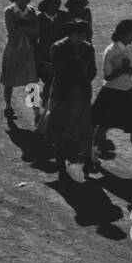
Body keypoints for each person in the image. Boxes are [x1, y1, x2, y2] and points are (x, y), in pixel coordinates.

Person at [92, 18, 132, 177]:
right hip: (111, 92)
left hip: (127, 91)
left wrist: (127, 69)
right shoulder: (110, 51)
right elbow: (107, 76)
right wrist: (123, 69)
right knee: (103, 125)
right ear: (124, 34)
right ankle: (94, 152)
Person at [45, 19, 99, 180]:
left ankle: (87, 162)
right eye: (79, 34)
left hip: (81, 94)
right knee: (60, 130)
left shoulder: (88, 48)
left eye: (84, 34)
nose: (82, 37)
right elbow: (59, 71)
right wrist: (79, 79)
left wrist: (83, 80)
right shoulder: (58, 47)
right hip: (64, 94)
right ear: (71, 33)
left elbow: (93, 70)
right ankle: (61, 160)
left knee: (85, 131)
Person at [0, 0, 40, 121]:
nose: (27, 0)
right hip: (14, 50)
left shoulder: (32, 11)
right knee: (9, 80)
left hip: (28, 50)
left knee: (32, 81)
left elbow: (36, 30)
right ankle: (8, 107)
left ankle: (35, 111)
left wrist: (21, 28)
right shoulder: (9, 11)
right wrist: (28, 30)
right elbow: (12, 31)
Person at [34, 0, 65, 126]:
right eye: (52, 5)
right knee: (32, 85)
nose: (55, 8)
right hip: (40, 57)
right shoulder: (37, 18)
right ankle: (35, 112)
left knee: (50, 84)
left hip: (57, 58)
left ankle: (47, 111)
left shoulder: (64, 17)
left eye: (57, 6)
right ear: (46, 6)